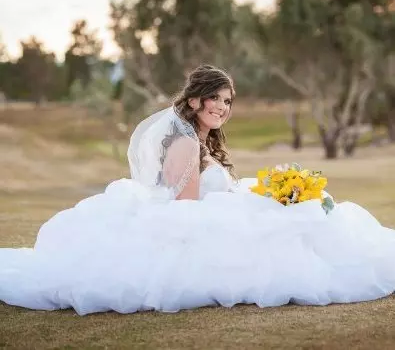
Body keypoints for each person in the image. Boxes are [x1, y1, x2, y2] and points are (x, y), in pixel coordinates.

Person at [1, 64, 395, 316]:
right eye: (216, 99)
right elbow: (184, 207)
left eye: (228, 100)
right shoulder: (187, 143)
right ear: (194, 100)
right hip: (193, 227)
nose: (223, 107)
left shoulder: (201, 140)